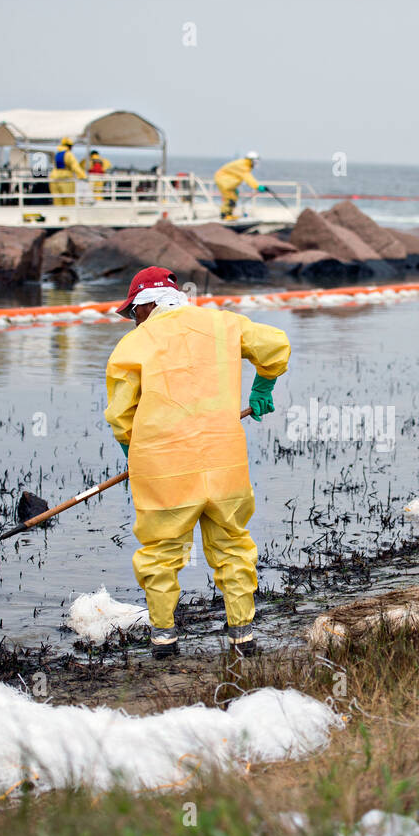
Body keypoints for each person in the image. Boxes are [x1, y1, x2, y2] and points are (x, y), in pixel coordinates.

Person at [104, 266, 290, 659]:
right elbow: (274, 346)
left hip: (164, 468)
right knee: (233, 544)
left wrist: (130, 452)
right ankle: (242, 634)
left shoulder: (134, 345)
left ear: (146, 304)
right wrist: (263, 385)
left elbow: (122, 415)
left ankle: (164, 639)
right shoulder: (224, 324)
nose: (132, 320)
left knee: (161, 552)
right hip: (225, 463)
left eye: (132, 312)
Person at [214, 152, 265, 220]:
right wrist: (257, 186)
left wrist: (234, 188)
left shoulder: (244, 164)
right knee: (229, 199)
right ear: (251, 160)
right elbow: (248, 178)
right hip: (224, 181)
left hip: (227, 182)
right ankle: (224, 215)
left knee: (233, 197)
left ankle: (229, 214)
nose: (255, 164)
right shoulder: (243, 166)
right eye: (255, 162)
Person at [49, 137, 87, 206]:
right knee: (69, 200)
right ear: (70, 146)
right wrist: (83, 176)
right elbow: (75, 167)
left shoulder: (57, 154)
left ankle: (60, 216)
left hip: (54, 179)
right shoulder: (68, 154)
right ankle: (68, 216)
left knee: (58, 201)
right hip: (65, 179)